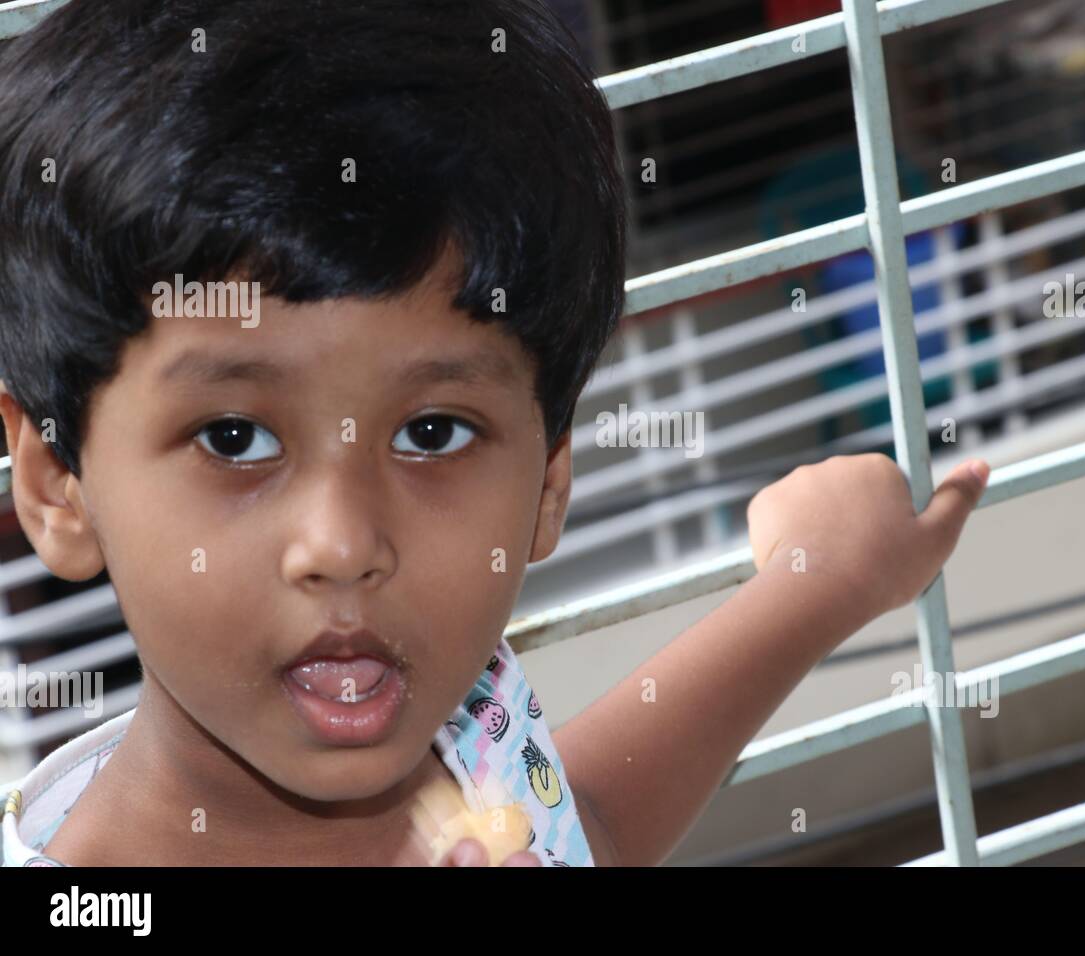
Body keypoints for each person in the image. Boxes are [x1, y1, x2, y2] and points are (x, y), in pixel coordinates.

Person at [0, 0, 989, 867]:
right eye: (233, 438)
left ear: (549, 477)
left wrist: (815, 583)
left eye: (432, 430)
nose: (344, 544)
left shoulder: (470, 733)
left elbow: (582, 817)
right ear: (54, 480)